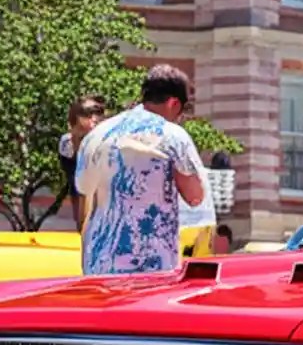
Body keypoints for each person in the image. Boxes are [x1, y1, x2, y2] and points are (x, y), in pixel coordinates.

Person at [74, 64, 206, 275]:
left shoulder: (98, 135)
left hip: (99, 264)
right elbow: (195, 196)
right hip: (150, 269)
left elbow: (83, 191)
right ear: (174, 103)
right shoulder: (173, 136)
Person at [59, 95, 106, 232]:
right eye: (88, 114)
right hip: (80, 179)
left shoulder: (105, 137)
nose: (94, 118)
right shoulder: (68, 141)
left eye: (98, 113)